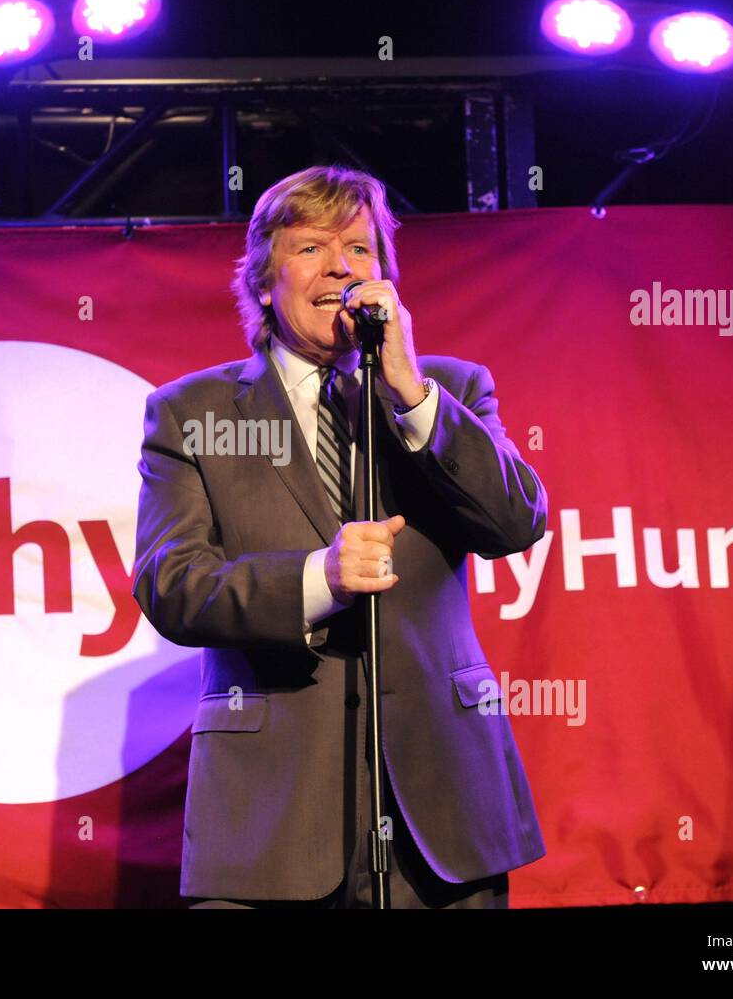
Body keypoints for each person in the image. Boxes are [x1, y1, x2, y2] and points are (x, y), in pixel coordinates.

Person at [132, 165, 548, 908]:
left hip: (442, 812)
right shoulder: (190, 410)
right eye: (310, 248)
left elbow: (515, 521)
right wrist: (317, 578)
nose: (340, 268)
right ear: (265, 279)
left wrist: (410, 390)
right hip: (270, 821)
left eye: (359, 247)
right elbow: (172, 582)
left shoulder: (445, 387)